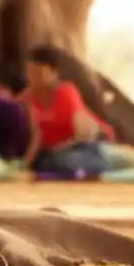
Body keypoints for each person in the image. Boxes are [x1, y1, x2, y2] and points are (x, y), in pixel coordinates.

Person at [24, 46, 116, 176]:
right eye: (30, 72)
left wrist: (57, 150)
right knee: (45, 163)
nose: (33, 78)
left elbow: (82, 134)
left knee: (62, 161)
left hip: (88, 144)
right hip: (52, 152)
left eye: (38, 73)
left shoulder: (66, 92)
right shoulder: (27, 97)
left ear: (54, 73)